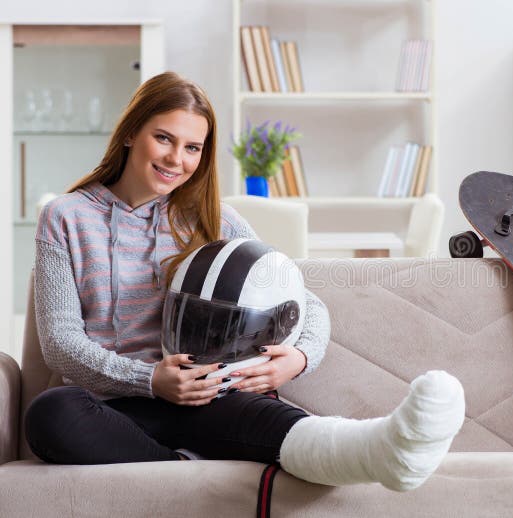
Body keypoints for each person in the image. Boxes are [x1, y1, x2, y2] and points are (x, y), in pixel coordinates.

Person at [24, 71, 465, 492]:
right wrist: (150, 380)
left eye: (193, 148)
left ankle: (383, 450)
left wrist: (298, 357)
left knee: (267, 417)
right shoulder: (66, 216)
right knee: (51, 413)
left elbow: (305, 302)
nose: (177, 159)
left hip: (210, 400)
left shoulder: (214, 219)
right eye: (164, 138)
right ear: (130, 133)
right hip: (111, 408)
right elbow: (60, 343)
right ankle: (180, 467)